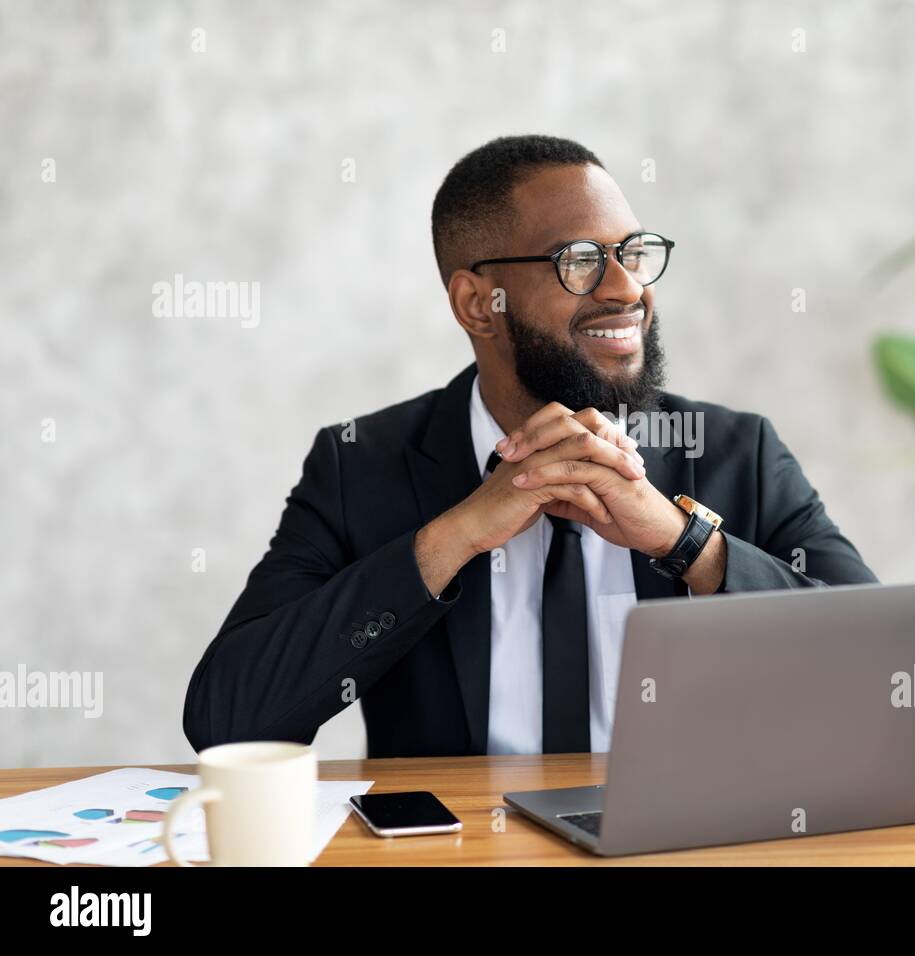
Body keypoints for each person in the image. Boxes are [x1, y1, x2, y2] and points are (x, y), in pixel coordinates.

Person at [183, 134, 875, 758]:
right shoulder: (361, 465)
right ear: (478, 303)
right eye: (579, 261)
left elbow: (878, 678)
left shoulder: (735, 453)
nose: (628, 287)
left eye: (633, 253)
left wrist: (684, 543)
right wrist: (452, 537)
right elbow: (229, 720)